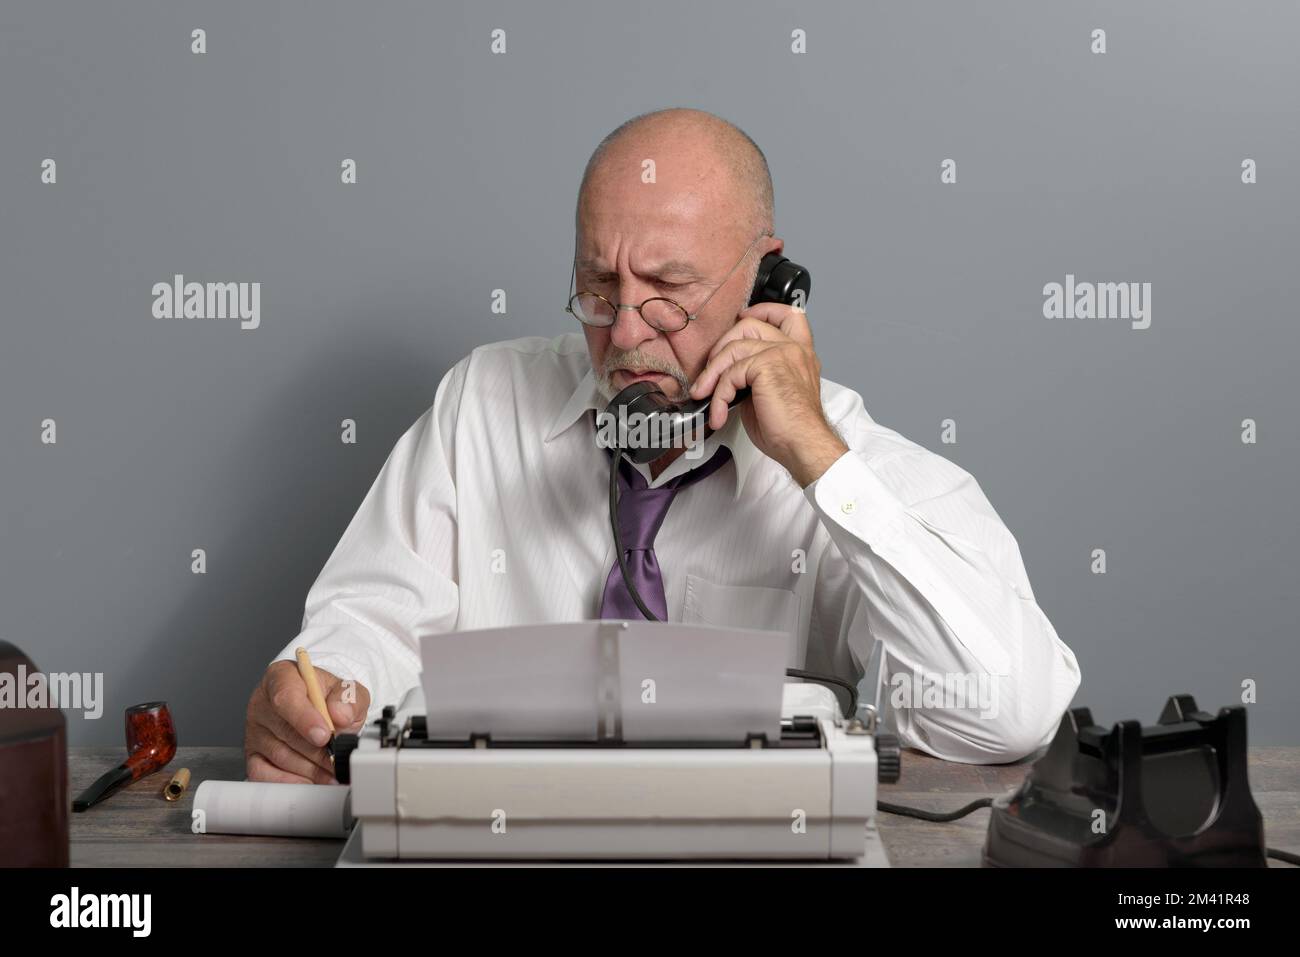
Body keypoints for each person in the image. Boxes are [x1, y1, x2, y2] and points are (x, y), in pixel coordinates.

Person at [244, 108, 1080, 782]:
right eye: (600, 288)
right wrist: (331, 691)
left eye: (670, 291)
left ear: (767, 282)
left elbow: (1003, 711)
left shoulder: (848, 464)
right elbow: (370, 619)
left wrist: (819, 462)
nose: (629, 333)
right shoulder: (483, 402)